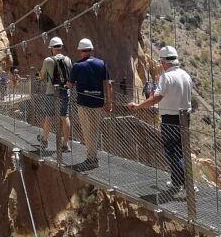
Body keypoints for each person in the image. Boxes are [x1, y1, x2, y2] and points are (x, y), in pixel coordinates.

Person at [127, 46, 192, 193]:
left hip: (170, 118)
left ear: (164, 62)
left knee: (171, 150)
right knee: (181, 150)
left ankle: (186, 182)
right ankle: (178, 181)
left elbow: (157, 98)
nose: (161, 65)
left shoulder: (166, 77)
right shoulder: (186, 75)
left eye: (162, 62)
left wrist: (138, 106)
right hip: (185, 118)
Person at [67, 38, 113, 168]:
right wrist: (109, 102)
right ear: (90, 49)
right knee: (94, 129)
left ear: (80, 50)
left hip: (84, 103)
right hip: (98, 102)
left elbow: (70, 85)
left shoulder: (77, 66)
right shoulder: (101, 64)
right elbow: (109, 84)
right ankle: (92, 156)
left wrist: (66, 83)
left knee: (87, 131)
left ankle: (92, 158)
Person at [37, 37, 72, 151]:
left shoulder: (48, 60)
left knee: (49, 116)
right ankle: (65, 144)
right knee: (64, 116)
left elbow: (42, 77)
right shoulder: (67, 59)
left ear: (51, 48)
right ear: (61, 47)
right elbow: (71, 75)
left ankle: (45, 140)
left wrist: (45, 76)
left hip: (51, 92)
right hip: (64, 91)